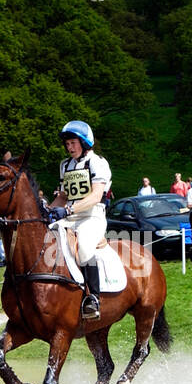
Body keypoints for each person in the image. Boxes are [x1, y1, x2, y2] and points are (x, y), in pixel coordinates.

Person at [45, 119, 111, 319]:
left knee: (83, 245)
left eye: (73, 142)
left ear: (84, 143)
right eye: (67, 144)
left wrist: (68, 210)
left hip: (92, 216)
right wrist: (47, 210)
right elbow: (63, 196)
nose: (69, 147)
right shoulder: (65, 165)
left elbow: (96, 195)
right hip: (70, 215)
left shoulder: (97, 163)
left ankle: (94, 299)